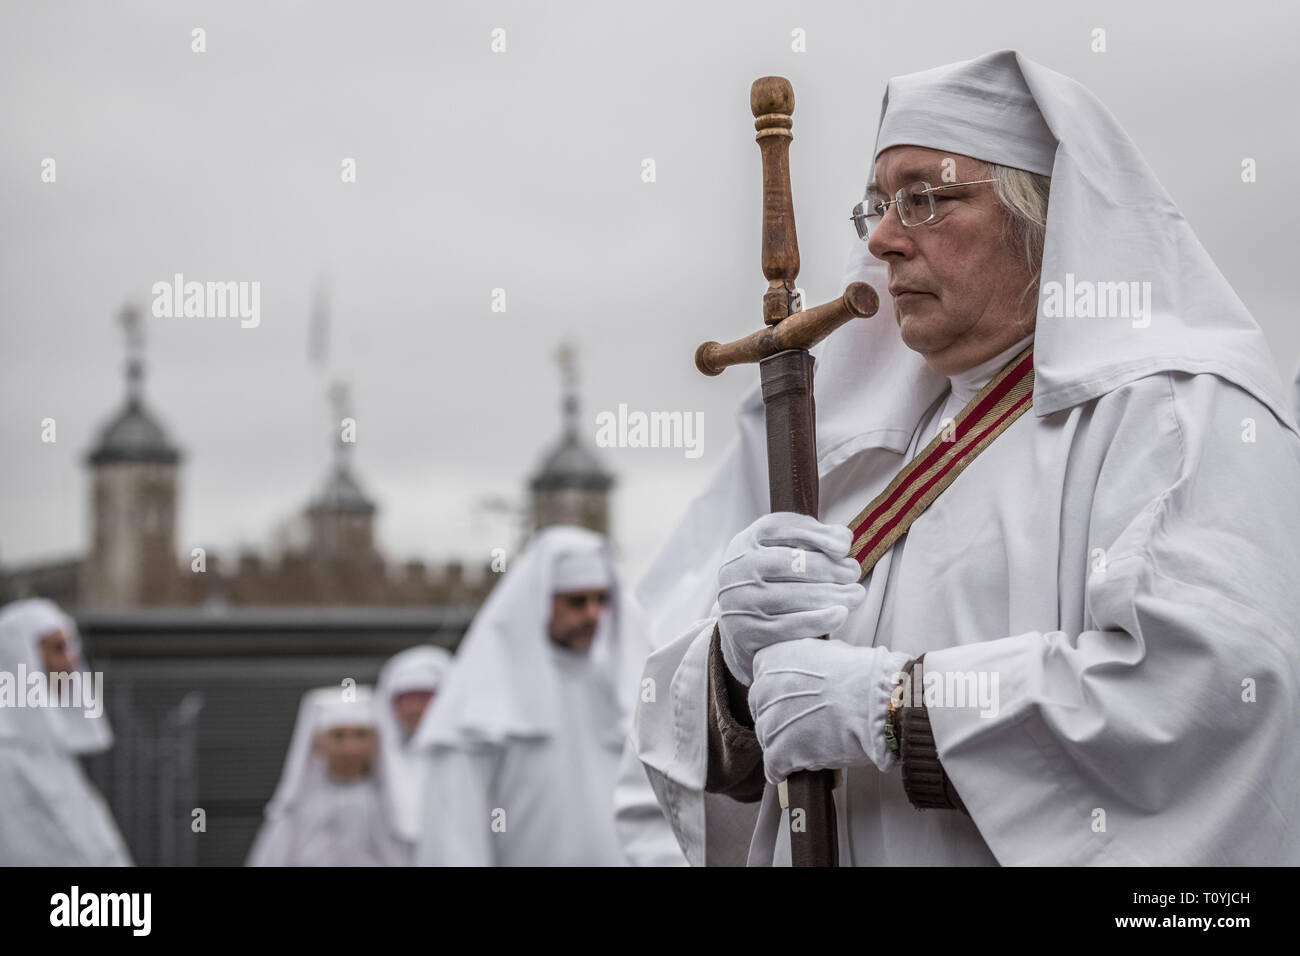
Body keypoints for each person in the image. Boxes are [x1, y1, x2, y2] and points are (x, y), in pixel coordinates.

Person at [633, 50, 1300, 866]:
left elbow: (1210, 694)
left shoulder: (1175, 412)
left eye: (923, 199)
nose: (881, 239)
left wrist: (899, 710)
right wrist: (736, 671)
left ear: (1044, 218)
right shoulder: (869, 455)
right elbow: (738, 747)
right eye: (875, 205)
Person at [413, 525, 643, 866]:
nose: (592, 614)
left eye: (601, 600)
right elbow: (456, 832)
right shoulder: (484, 695)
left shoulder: (621, 686)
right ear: (539, 599)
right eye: (576, 601)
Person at [0, 597, 132, 866]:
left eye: (71, 648)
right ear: (20, 656)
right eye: (58, 649)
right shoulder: (6, 757)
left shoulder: (49, 749)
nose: (71, 664)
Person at [247, 685, 407, 866]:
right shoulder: (297, 809)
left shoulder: (391, 807)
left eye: (360, 735)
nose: (350, 748)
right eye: (338, 736)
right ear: (317, 742)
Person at [374, 644, 452, 857]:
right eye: (404, 699)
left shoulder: (473, 764)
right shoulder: (371, 766)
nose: (413, 709)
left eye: (424, 697)